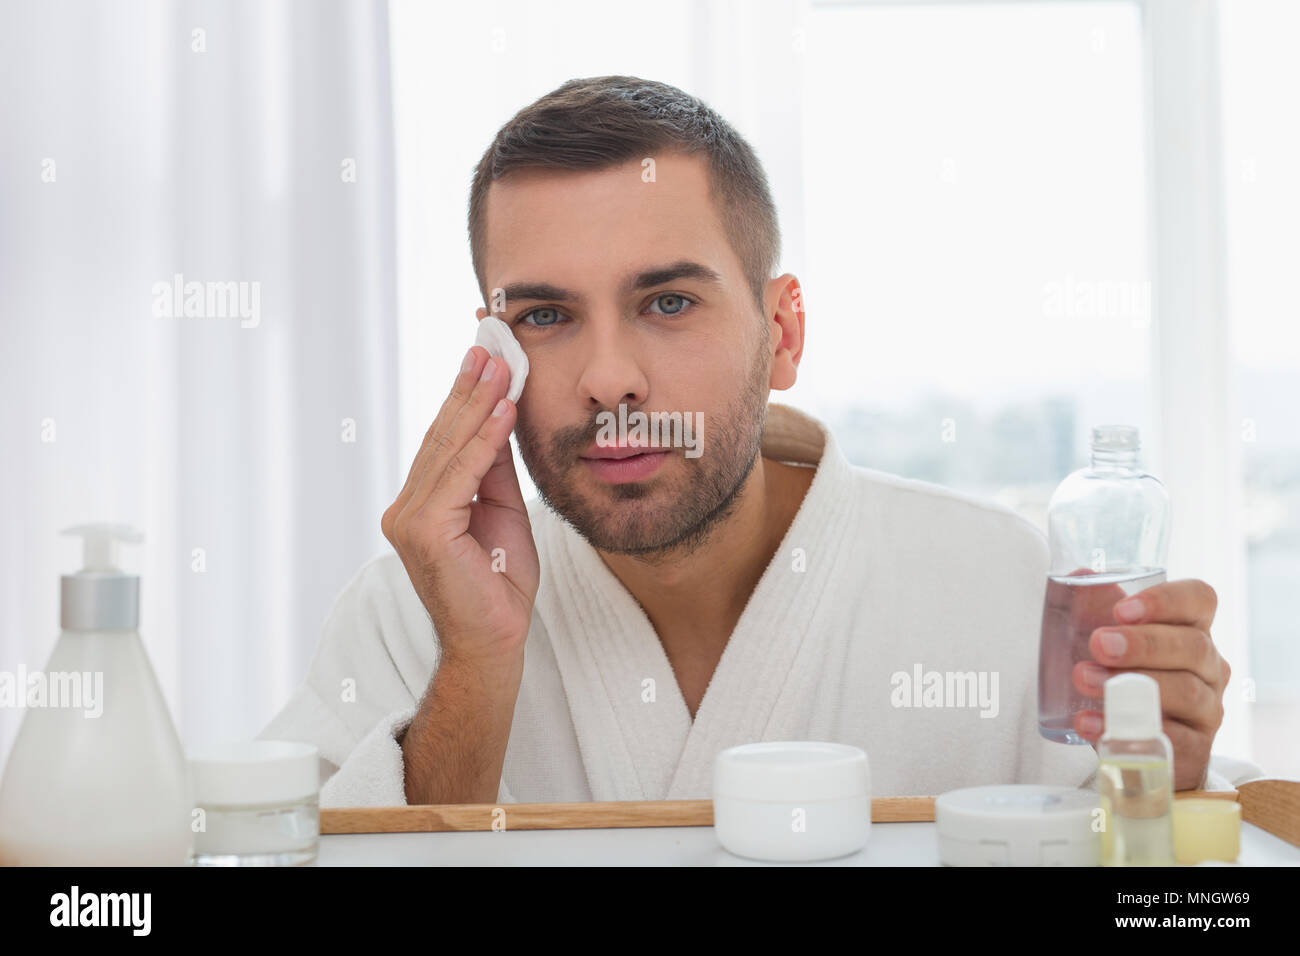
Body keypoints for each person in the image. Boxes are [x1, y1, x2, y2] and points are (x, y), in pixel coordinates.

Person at [260, 76, 1236, 806]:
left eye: (668, 300)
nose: (609, 379)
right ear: (491, 349)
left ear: (784, 332)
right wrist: (474, 666)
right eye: (548, 315)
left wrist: (1167, 790)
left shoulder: (1000, 589)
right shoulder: (410, 611)